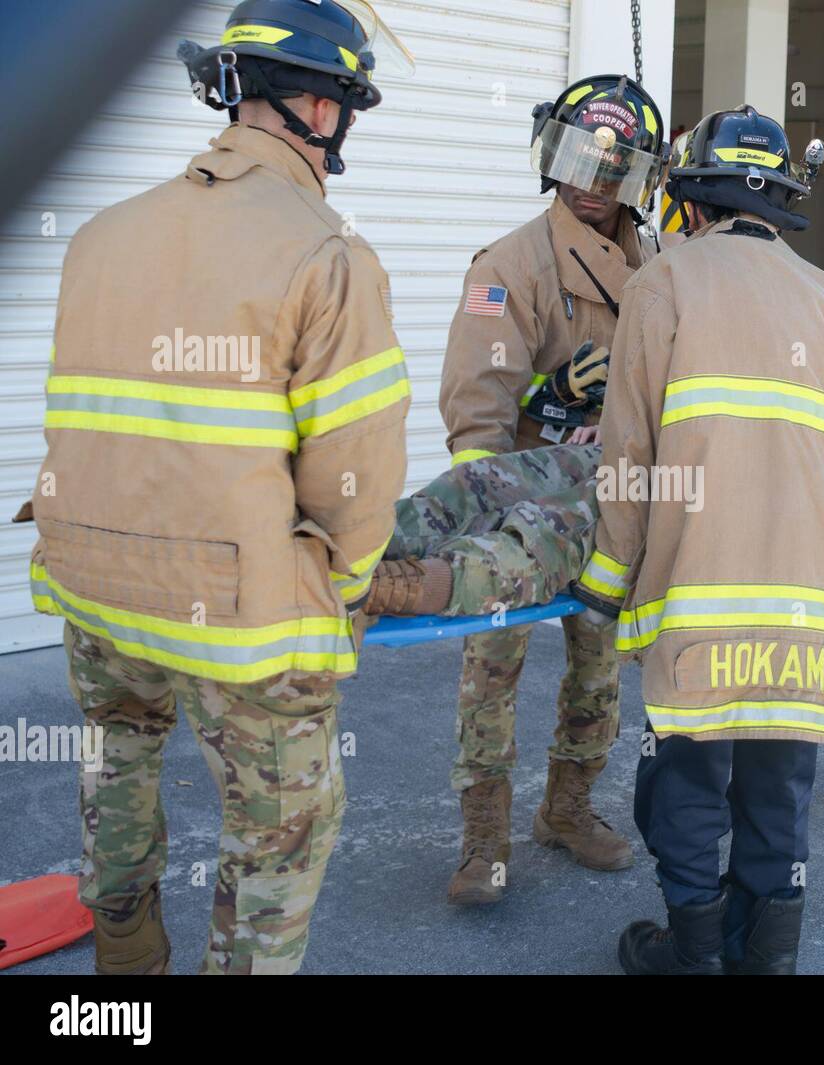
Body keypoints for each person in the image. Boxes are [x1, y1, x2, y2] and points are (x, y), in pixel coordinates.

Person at [19, 0, 413, 973]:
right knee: (282, 830)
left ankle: (125, 964)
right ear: (323, 112)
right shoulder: (329, 254)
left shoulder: (99, 236)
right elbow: (355, 487)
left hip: (89, 583)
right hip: (239, 617)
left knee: (118, 757)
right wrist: (347, 594)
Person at [571, 106, 824, 975]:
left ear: (691, 203)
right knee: (780, 785)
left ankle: (694, 950)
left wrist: (606, 580)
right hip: (809, 608)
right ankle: (767, 957)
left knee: (684, 779)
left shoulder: (663, 284)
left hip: (699, 600)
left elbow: (629, 455)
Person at [435, 74, 668, 904]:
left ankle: (567, 808)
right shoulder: (511, 265)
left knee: (598, 667)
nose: (591, 181)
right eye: (576, 156)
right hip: (521, 508)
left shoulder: (660, 262)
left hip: (611, 504)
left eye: (614, 167)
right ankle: (483, 839)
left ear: (642, 177)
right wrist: (550, 396)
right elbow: (476, 408)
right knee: (493, 668)